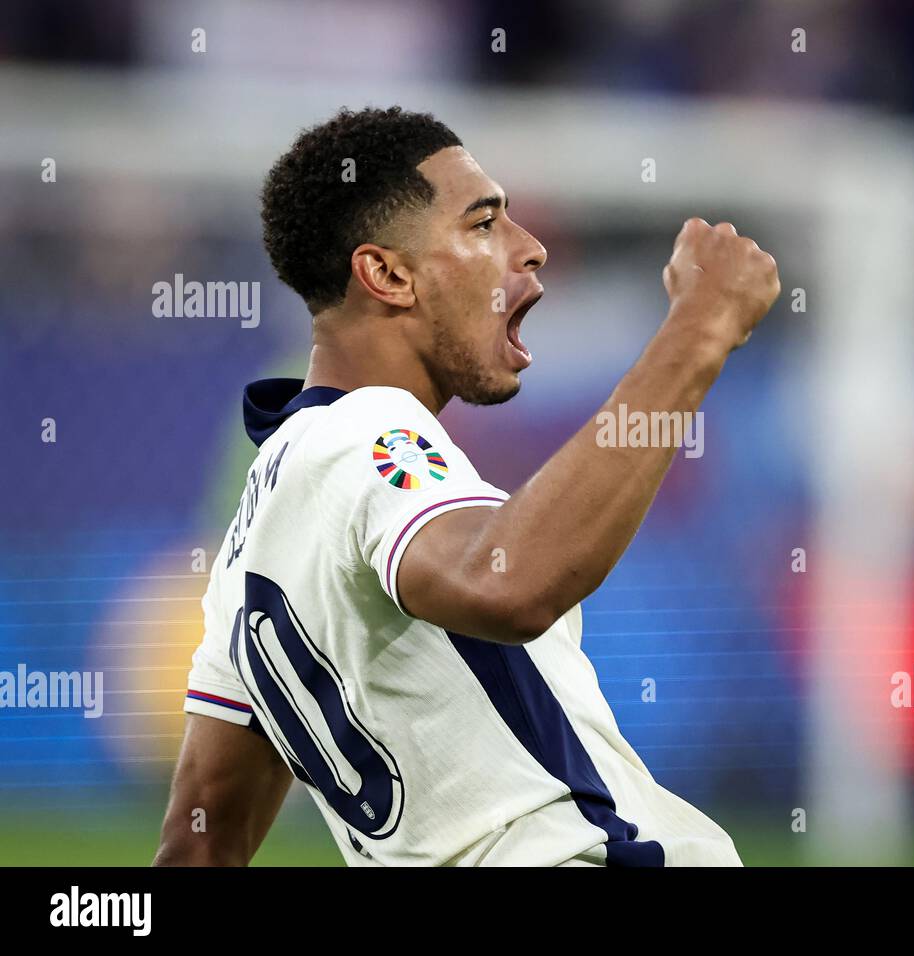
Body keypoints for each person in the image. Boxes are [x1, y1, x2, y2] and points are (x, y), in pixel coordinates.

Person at [153, 106, 779, 866]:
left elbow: (200, 841)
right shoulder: (367, 433)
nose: (532, 248)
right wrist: (700, 328)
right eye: (484, 224)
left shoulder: (246, 558)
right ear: (386, 274)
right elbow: (504, 583)